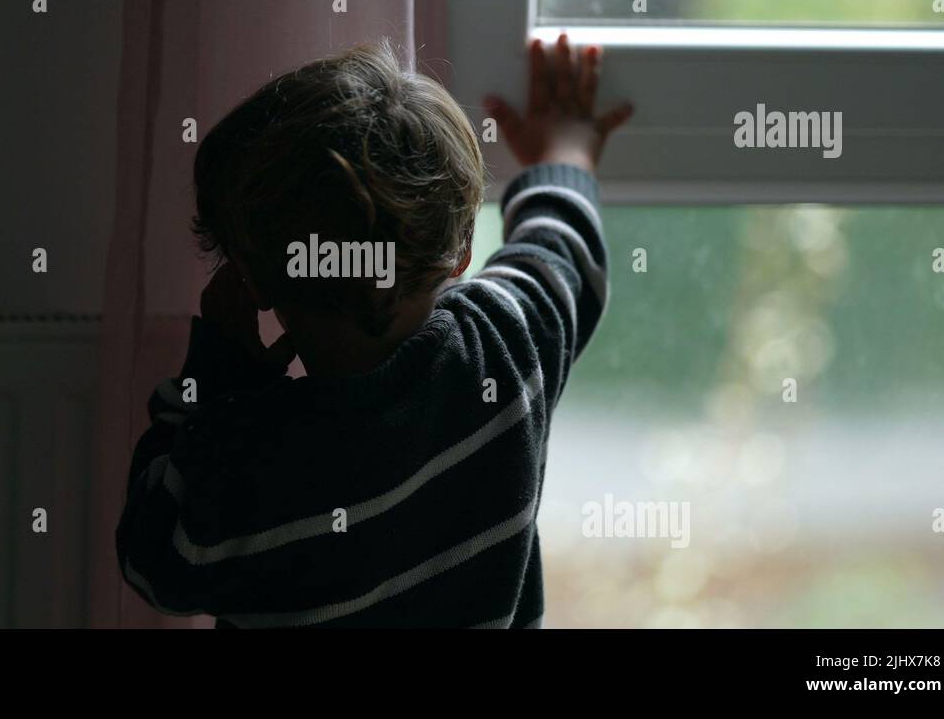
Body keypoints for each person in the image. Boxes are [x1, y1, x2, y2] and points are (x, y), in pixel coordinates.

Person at [117, 34, 632, 627]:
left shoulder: (243, 458)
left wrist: (218, 374)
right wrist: (565, 149)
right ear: (460, 251)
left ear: (252, 282)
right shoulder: (502, 348)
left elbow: (151, 557)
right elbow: (562, 254)